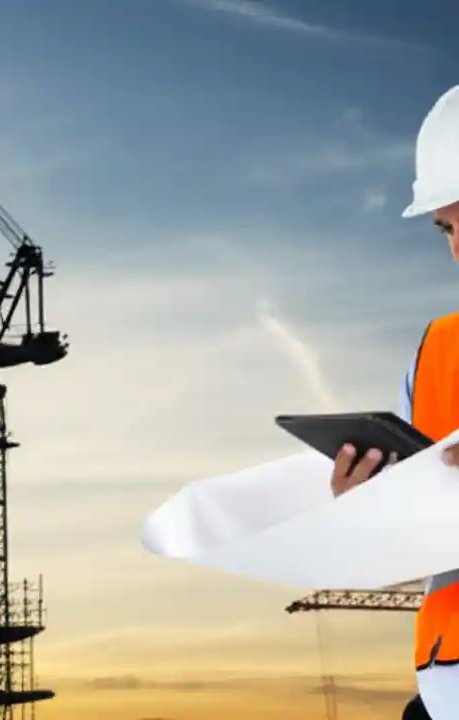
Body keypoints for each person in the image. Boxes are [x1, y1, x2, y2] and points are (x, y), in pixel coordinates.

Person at [329, 84, 459, 720]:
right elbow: (421, 545)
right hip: (445, 686)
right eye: (447, 229)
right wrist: (370, 509)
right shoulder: (437, 350)